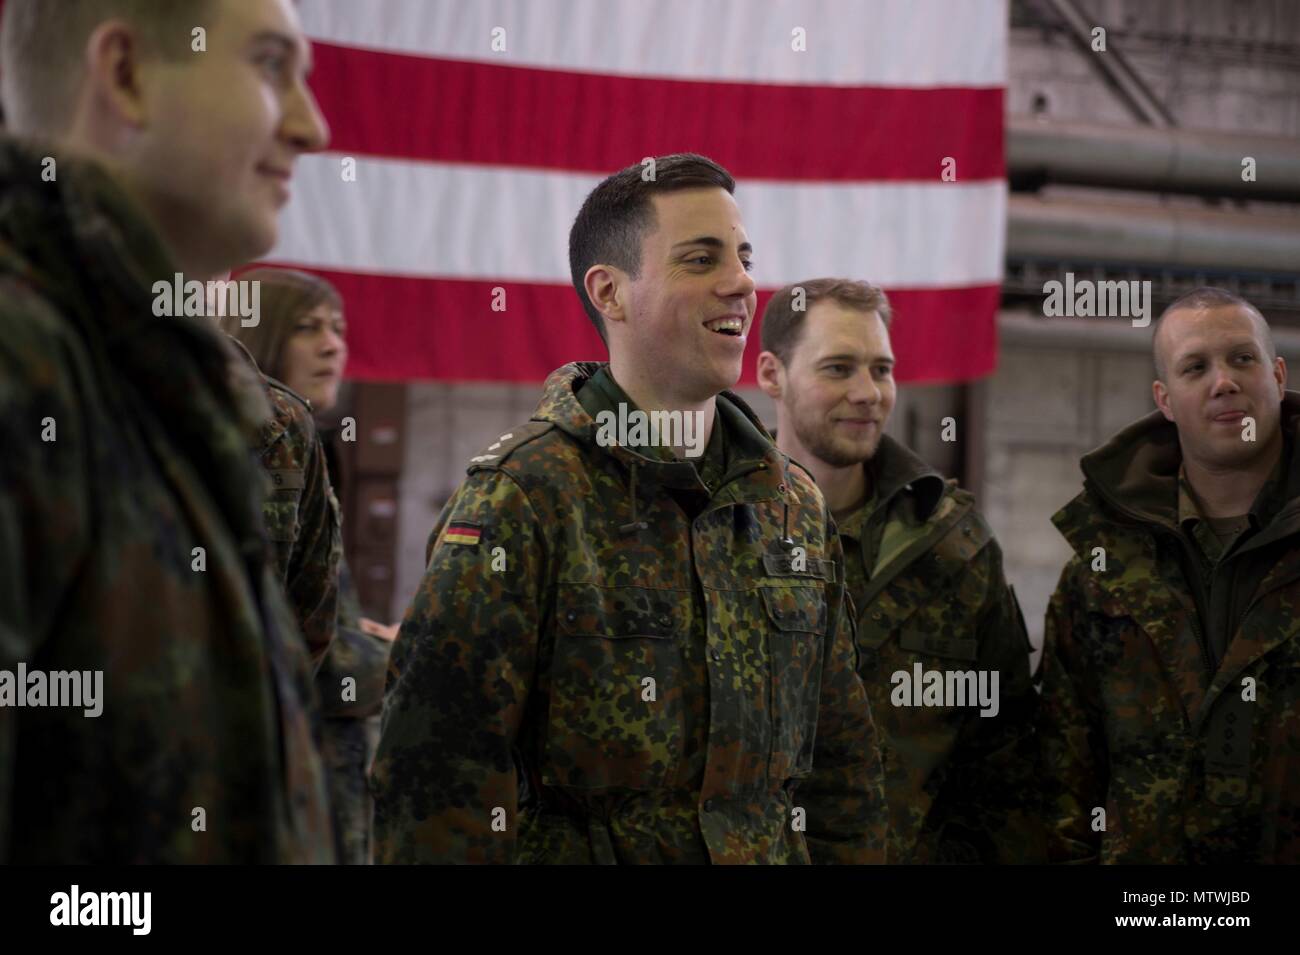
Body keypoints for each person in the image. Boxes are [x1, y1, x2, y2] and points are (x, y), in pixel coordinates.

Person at [373, 153, 887, 864]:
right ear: (610, 292)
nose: (741, 282)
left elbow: (841, 769)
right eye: (701, 259)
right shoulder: (526, 495)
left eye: (742, 256)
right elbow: (434, 783)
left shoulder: (789, 504)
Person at [0, 0, 335, 862]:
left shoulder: (164, 377)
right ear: (125, 75)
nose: (312, 126)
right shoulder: (25, 355)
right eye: (269, 66)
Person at [757, 278, 1043, 863]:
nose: (868, 393)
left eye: (881, 370)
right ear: (771, 375)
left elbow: (1006, 750)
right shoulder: (716, 524)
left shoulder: (953, 544)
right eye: (838, 368)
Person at [1040, 287, 1300, 863]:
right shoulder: (1104, 567)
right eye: (1195, 367)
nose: (1223, 382)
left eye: (1242, 358)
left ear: (1278, 375)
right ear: (1165, 398)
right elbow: (1064, 771)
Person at [222, 266, 396, 865]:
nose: (332, 344)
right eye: (307, 328)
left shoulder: (307, 443)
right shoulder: (262, 441)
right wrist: (403, 655)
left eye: (338, 328)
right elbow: (274, 644)